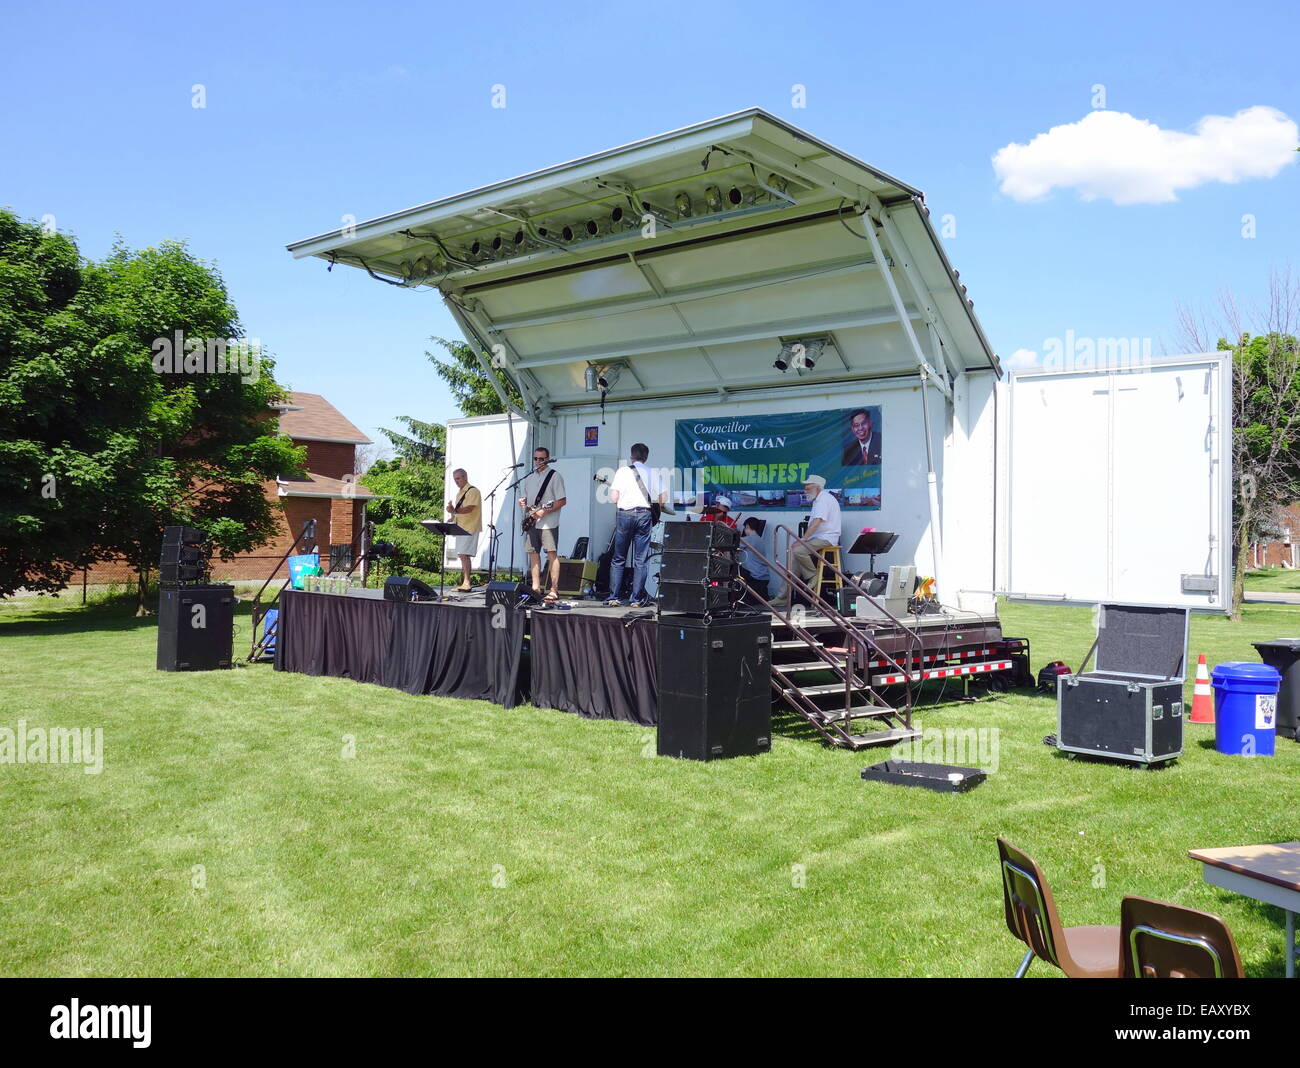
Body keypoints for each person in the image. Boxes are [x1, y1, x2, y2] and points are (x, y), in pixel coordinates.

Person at [606, 442, 666, 607]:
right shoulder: (653, 473)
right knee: (641, 559)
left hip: (625, 515)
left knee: (619, 558)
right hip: (644, 516)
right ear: (646, 457)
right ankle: (636, 599)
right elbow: (663, 499)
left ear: (631, 456)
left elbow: (614, 498)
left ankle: (614, 597)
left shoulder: (623, 471)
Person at [772, 474, 841, 607]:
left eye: (807, 487)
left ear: (817, 487)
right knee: (793, 557)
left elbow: (816, 523)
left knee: (798, 549)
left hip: (827, 538)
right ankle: (783, 597)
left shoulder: (823, 499)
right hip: (820, 537)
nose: (805, 490)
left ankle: (812, 576)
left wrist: (803, 539)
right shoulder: (820, 499)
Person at [517, 446, 567, 602]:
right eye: (535, 458)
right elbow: (526, 501)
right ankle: (535, 588)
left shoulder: (555, 476)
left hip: (548, 523)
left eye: (541, 458)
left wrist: (544, 512)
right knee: (533, 554)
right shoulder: (529, 477)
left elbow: (562, 500)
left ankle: (554, 589)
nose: (538, 461)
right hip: (532, 521)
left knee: (551, 554)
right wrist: (522, 502)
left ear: (547, 458)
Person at [445, 468, 482, 592]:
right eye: (455, 479)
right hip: (460, 527)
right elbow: (460, 511)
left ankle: (467, 582)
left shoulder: (473, 491)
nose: (456, 481)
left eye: (459, 478)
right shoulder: (459, 493)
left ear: (465, 477)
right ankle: (465, 582)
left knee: (464, 554)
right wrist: (452, 517)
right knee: (462, 555)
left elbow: (469, 509)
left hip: (470, 527)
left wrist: (454, 510)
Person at [739, 516, 770, 602]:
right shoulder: (759, 539)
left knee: (735, 570)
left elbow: (732, 543)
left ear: (747, 527)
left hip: (755, 576)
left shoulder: (749, 539)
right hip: (764, 576)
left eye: (745, 528)